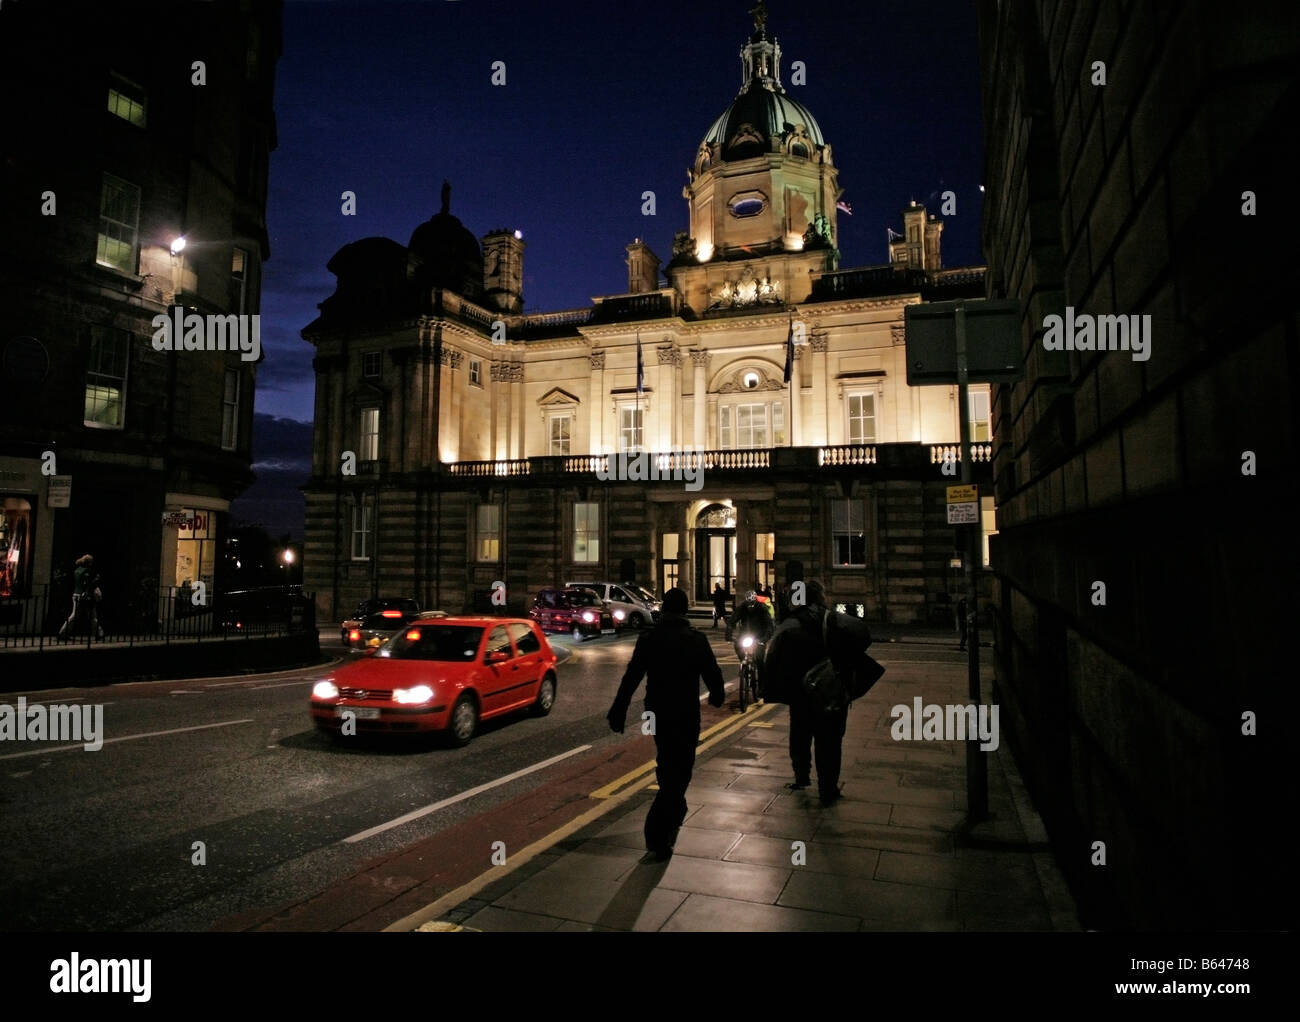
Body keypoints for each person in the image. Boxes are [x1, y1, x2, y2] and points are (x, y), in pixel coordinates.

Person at [607, 587, 725, 860]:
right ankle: (657, 832)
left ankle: (671, 817)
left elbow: (632, 676)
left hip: (656, 713)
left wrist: (619, 708)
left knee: (667, 762)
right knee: (680, 771)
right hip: (685, 713)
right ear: (684, 610)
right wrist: (717, 696)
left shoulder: (650, 638)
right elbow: (713, 675)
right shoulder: (695, 639)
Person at [763, 579, 873, 804]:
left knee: (800, 737)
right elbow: (863, 634)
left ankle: (802, 777)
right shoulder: (832, 619)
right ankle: (828, 788)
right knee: (830, 742)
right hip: (830, 691)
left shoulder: (789, 624)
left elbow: (771, 656)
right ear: (820, 597)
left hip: (801, 693)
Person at [58, 554, 103, 640]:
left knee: (74, 615)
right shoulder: (87, 571)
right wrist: (95, 580)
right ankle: (98, 633)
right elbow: (87, 584)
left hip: (76, 594)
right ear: (88, 562)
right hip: (84, 596)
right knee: (92, 615)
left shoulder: (77, 570)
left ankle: (63, 633)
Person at [729, 589, 774, 662]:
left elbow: (769, 624)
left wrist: (764, 639)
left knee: (759, 659)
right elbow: (732, 620)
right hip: (745, 633)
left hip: (759, 634)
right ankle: (743, 661)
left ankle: (761, 672)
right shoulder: (742, 607)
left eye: (752, 603)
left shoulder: (762, 608)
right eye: (748, 603)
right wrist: (729, 634)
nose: (750, 606)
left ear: (755, 601)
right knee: (737, 646)